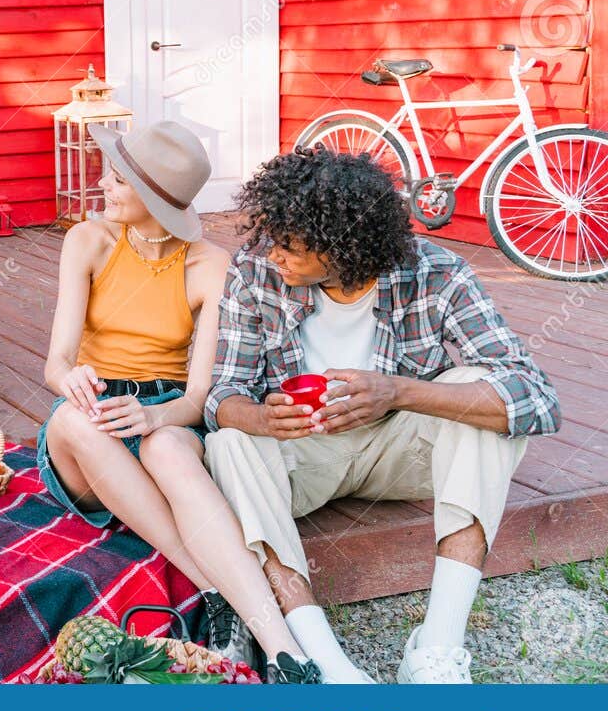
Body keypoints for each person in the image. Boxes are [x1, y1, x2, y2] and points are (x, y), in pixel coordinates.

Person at [204, 147, 561, 683]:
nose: (273, 253)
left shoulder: (437, 273)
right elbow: (223, 393)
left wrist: (398, 393)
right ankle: (322, 656)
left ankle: (436, 650)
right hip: (305, 455)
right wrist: (259, 419)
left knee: (478, 391)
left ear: (343, 246)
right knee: (227, 442)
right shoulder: (255, 271)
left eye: (290, 245)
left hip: (402, 452)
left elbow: (534, 396)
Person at [36, 121, 322, 684]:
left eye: (118, 180)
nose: (103, 186)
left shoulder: (210, 267)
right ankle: (218, 587)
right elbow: (57, 364)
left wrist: (154, 417)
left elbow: (197, 398)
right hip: (90, 414)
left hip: (163, 408)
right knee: (74, 419)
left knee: (168, 448)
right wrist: (72, 382)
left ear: (154, 198)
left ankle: (289, 655)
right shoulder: (87, 241)